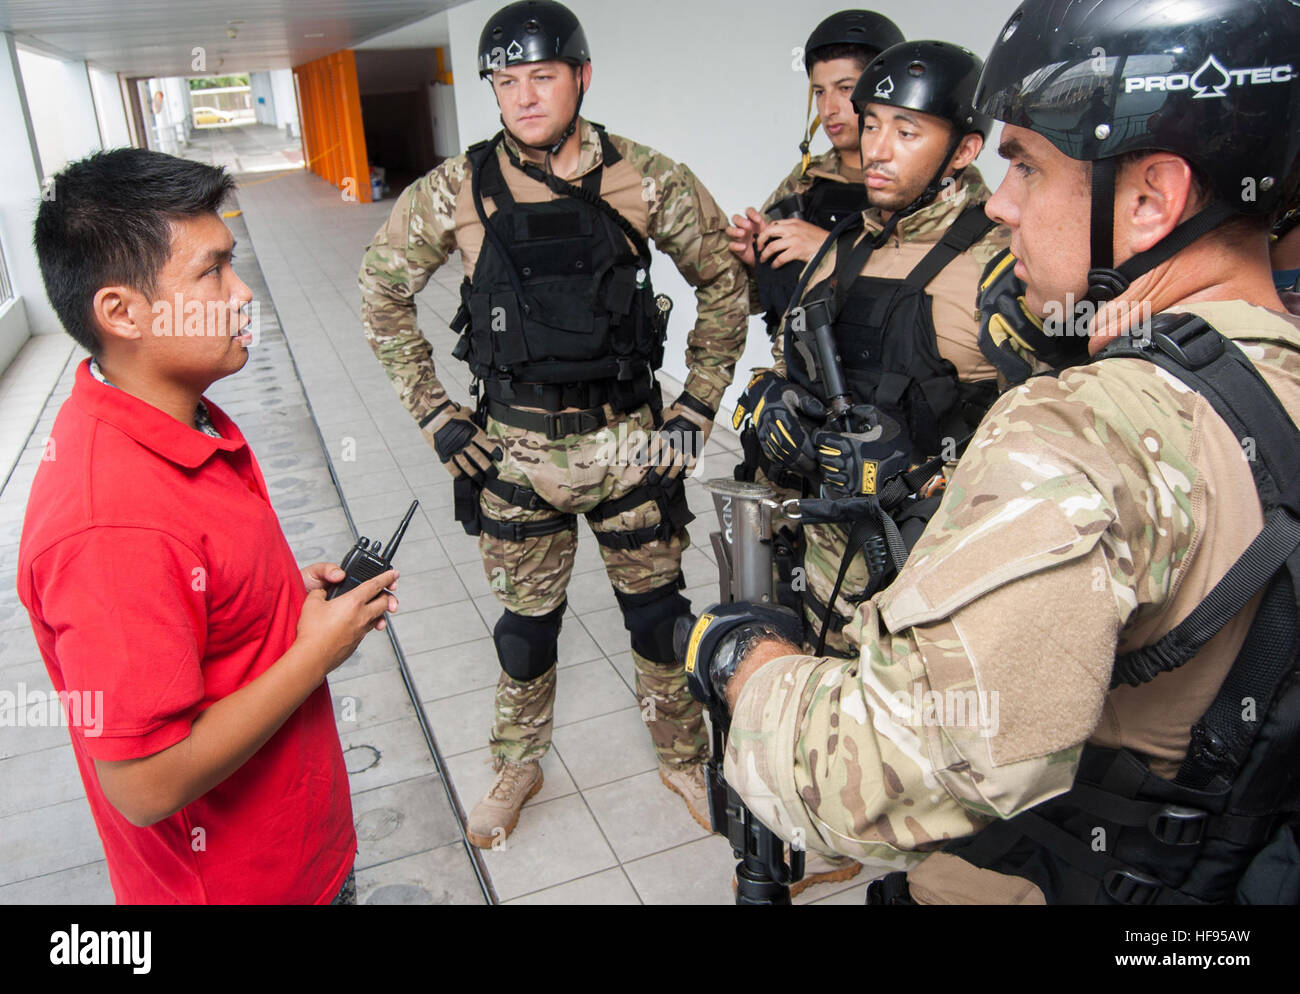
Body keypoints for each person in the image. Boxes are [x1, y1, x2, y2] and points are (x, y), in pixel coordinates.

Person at [684, 0, 1300, 904]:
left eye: (1028, 165)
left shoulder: (1079, 430)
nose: (1002, 204)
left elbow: (881, 772)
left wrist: (741, 659)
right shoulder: (1265, 374)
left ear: (1151, 199)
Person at [358, 0, 749, 847]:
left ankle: (683, 757)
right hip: (516, 451)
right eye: (507, 82)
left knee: (659, 618)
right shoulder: (458, 188)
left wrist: (696, 406)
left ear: (582, 77)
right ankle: (517, 763)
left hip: (632, 443)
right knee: (524, 632)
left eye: (542, 77)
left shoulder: (645, 177)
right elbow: (380, 287)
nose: (525, 97)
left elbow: (724, 279)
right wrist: (435, 415)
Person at [17, 148, 398, 904]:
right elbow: (145, 785)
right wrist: (315, 653)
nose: (243, 292)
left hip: (302, 851)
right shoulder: (110, 529)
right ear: (121, 312)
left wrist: (274, 596)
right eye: (212, 271)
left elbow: (191, 602)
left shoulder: (179, 418)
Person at [734, 39, 1010, 659]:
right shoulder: (845, 244)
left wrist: (928, 475)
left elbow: (1053, 445)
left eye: (906, 132)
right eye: (872, 125)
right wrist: (773, 400)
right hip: (820, 573)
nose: (876, 150)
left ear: (964, 151)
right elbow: (785, 359)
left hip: (930, 594)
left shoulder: (1007, 262)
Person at [725, 10, 904, 337]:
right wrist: (760, 260)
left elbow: (950, 285)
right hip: (805, 360)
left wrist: (830, 250)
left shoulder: (929, 179)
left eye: (845, 88)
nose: (829, 108)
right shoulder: (807, 179)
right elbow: (761, 302)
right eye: (819, 92)